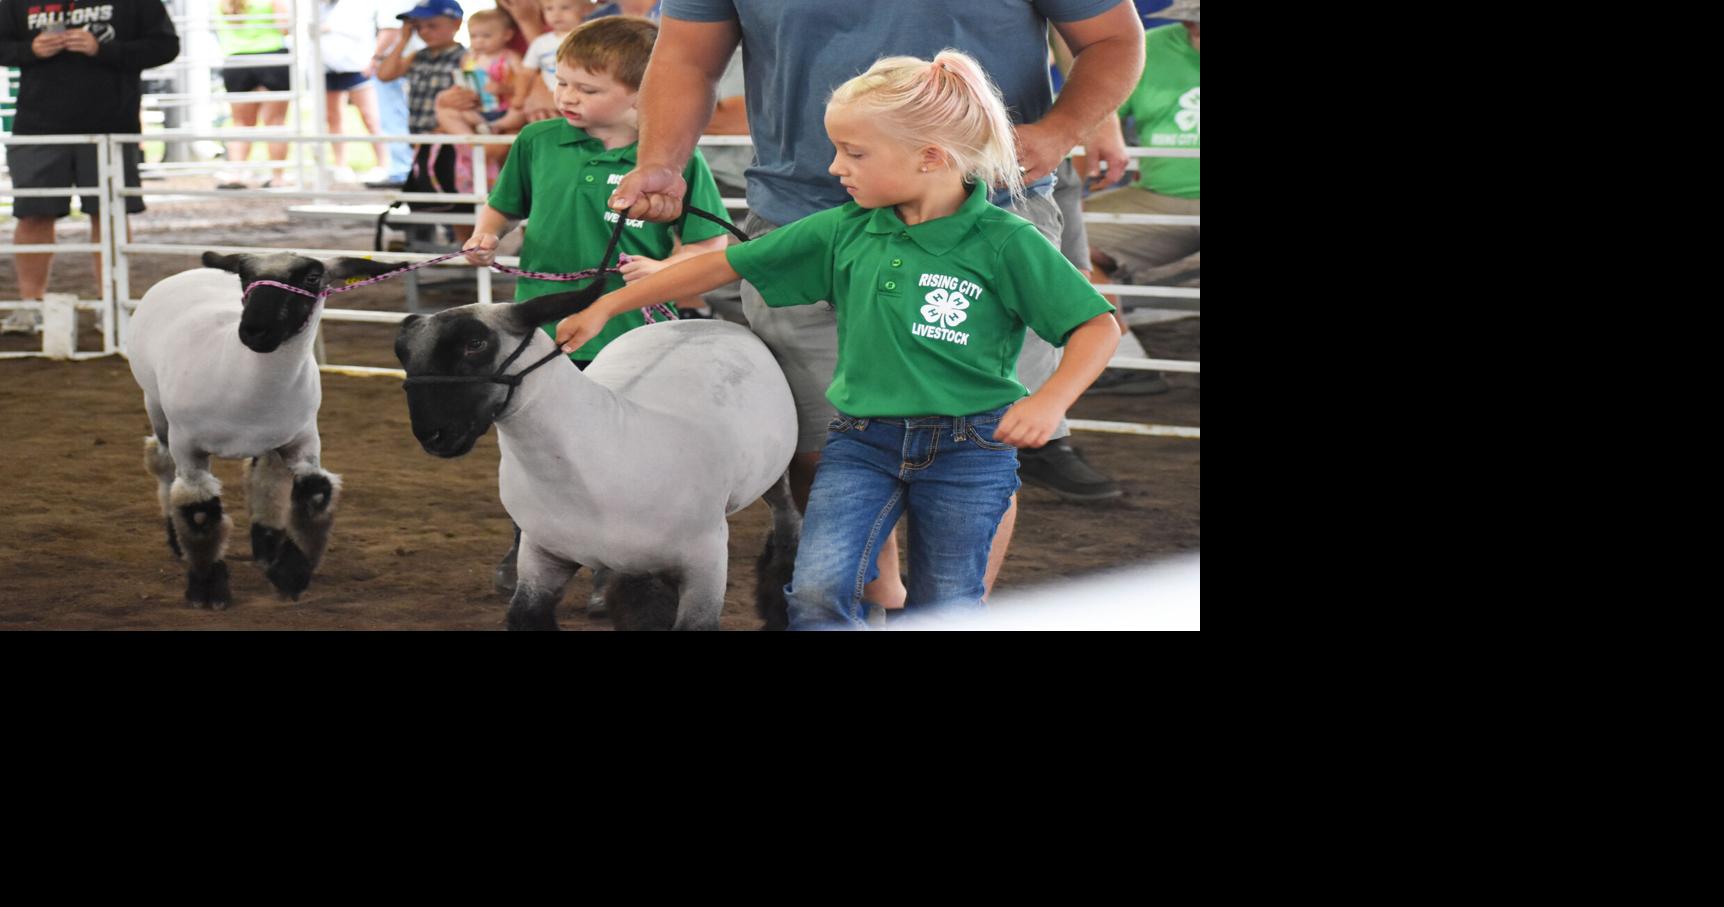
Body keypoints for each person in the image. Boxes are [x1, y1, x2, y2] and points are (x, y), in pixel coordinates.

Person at [609, 0, 1144, 609]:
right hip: (800, 217)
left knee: (979, 449)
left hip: (990, 213)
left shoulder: (1005, 246)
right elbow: (683, 54)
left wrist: (1058, 131)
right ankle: (878, 604)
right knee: (818, 446)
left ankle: (942, 614)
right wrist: (658, 162)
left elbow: (1112, 37)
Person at [459, 13, 733, 588]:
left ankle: (620, 565)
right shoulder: (537, 141)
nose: (566, 97)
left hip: (633, 332)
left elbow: (710, 244)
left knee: (625, 448)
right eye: (562, 82)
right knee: (532, 437)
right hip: (542, 325)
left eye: (587, 89)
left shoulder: (674, 159)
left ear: (643, 96)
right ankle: (529, 537)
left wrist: (663, 268)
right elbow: (504, 204)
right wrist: (489, 234)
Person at [0, 0, 179, 334]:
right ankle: (30, 307)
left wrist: (104, 49)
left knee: (109, 214)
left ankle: (111, 305)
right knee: (33, 213)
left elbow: (166, 46)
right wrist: (30, 49)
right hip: (38, 125)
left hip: (112, 125)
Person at [1082, 0, 1198, 394]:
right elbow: (1096, 112)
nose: (1195, 30)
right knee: (1059, 238)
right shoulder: (1145, 48)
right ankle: (1121, 360)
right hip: (1160, 197)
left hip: (1163, 199)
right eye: (1191, 21)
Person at [213, 0, 291, 188]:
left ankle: (236, 174)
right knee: (275, 123)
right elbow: (285, 27)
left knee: (240, 123)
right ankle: (278, 177)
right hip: (271, 57)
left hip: (237, 60)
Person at [321, 0, 388, 183]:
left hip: (357, 65)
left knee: (371, 117)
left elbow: (361, 29)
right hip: (327, 67)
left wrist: (331, 28)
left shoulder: (358, 5)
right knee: (333, 118)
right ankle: (341, 165)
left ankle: (384, 165)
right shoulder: (319, 6)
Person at [434, 7, 523, 137]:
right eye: (473, 36)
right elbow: (462, 81)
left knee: (521, 111)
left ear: (507, 35)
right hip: (476, 111)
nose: (479, 41)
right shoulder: (469, 58)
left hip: (506, 109)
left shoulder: (511, 57)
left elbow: (523, 83)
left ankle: (497, 126)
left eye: (486, 36)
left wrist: (505, 88)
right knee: (446, 112)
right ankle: (470, 139)